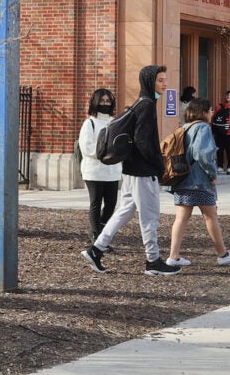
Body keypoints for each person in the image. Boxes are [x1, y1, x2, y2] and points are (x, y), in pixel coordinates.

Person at [81, 65, 180, 276]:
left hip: (132, 170)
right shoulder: (146, 105)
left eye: (165, 79)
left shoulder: (141, 104)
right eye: (160, 80)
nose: (165, 84)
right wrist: (158, 164)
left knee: (123, 212)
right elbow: (143, 141)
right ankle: (152, 261)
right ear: (149, 82)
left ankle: (96, 250)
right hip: (143, 172)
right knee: (150, 216)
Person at [164, 97, 230, 268]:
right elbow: (201, 153)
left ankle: (173, 256)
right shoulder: (203, 128)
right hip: (199, 181)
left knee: (181, 218)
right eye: (209, 110)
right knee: (210, 216)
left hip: (183, 178)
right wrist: (212, 173)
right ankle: (223, 254)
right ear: (202, 112)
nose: (212, 113)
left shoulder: (185, 127)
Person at [77, 88, 122, 240]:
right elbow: (87, 147)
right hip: (94, 171)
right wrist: (105, 153)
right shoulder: (89, 123)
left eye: (108, 101)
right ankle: (97, 237)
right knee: (95, 204)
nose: (105, 103)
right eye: (102, 101)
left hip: (112, 171)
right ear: (95, 102)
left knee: (110, 205)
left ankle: (100, 229)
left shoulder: (115, 122)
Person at [210, 90, 230, 173]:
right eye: (227, 95)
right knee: (219, 150)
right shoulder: (219, 107)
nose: (228, 97)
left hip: (229, 133)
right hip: (219, 132)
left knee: (229, 150)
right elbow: (213, 118)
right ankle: (220, 166)